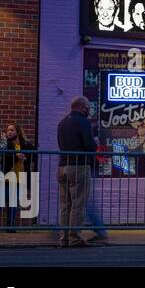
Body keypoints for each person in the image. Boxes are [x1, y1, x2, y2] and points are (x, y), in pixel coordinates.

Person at [57, 96, 98, 247]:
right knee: (78, 204)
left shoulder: (62, 123)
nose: (89, 110)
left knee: (65, 205)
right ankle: (75, 238)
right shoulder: (83, 122)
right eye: (88, 107)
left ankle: (64, 238)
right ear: (83, 107)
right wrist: (95, 145)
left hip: (62, 166)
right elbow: (89, 145)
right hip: (79, 166)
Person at [1, 123, 34, 232]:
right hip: (7, 176)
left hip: (19, 177)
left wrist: (26, 156)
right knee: (2, 200)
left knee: (14, 203)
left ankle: (10, 227)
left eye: (12, 130)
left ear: (18, 132)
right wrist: (16, 156)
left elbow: (34, 155)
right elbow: (5, 157)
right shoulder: (5, 143)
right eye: (8, 130)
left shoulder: (24, 144)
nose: (9, 132)